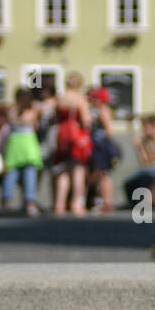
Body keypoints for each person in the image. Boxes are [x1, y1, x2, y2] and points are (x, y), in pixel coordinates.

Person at [51, 71, 92, 215]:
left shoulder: (60, 98)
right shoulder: (79, 99)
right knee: (78, 170)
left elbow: (55, 117)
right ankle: (76, 203)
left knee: (63, 170)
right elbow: (86, 120)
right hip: (76, 134)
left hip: (62, 134)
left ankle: (59, 204)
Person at [2, 88, 43, 215]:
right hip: (27, 143)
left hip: (14, 143)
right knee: (29, 174)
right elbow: (35, 124)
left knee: (11, 173)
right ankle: (29, 202)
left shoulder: (12, 110)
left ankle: (6, 201)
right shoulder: (31, 110)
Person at [86, 86, 120, 213]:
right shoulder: (97, 110)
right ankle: (102, 200)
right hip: (98, 146)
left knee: (104, 174)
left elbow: (109, 131)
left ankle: (107, 201)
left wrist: (99, 136)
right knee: (99, 174)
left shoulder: (103, 111)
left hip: (103, 147)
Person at [124, 115, 155, 207]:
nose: (145, 129)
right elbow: (144, 162)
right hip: (149, 168)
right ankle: (133, 202)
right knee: (129, 181)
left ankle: (141, 201)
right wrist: (139, 148)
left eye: (147, 126)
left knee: (148, 176)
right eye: (144, 126)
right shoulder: (143, 140)